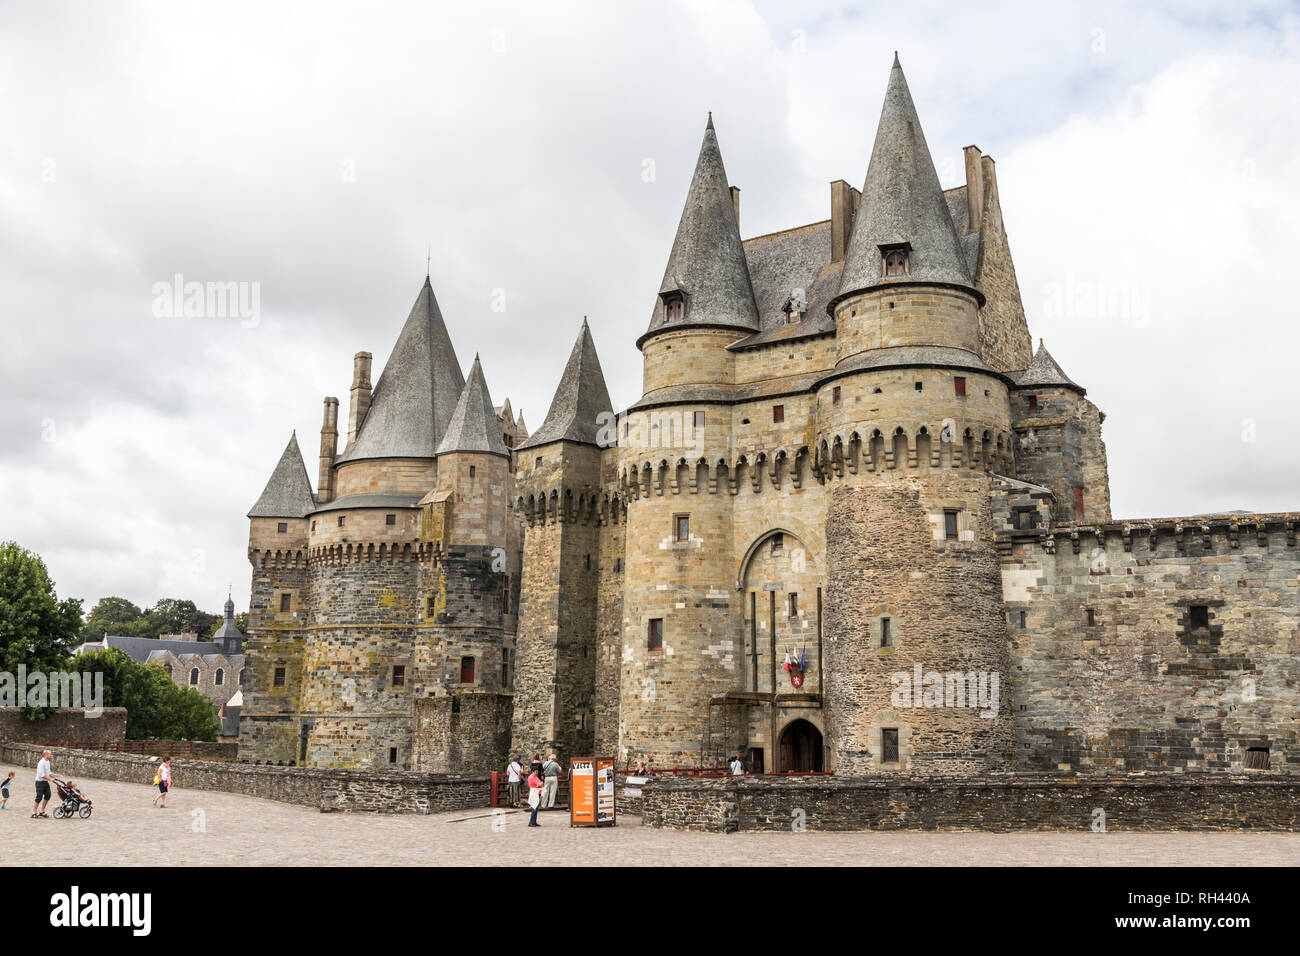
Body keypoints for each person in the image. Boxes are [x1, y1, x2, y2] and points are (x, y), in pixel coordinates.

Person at [32, 750, 54, 818]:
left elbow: (49, 772)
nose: (51, 755)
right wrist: (50, 779)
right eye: (50, 754)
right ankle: (34, 812)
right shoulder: (41, 763)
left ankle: (42, 811)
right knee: (39, 797)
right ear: (46, 754)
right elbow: (42, 775)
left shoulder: (47, 762)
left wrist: (55, 778)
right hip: (39, 782)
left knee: (48, 795)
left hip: (45, 782)